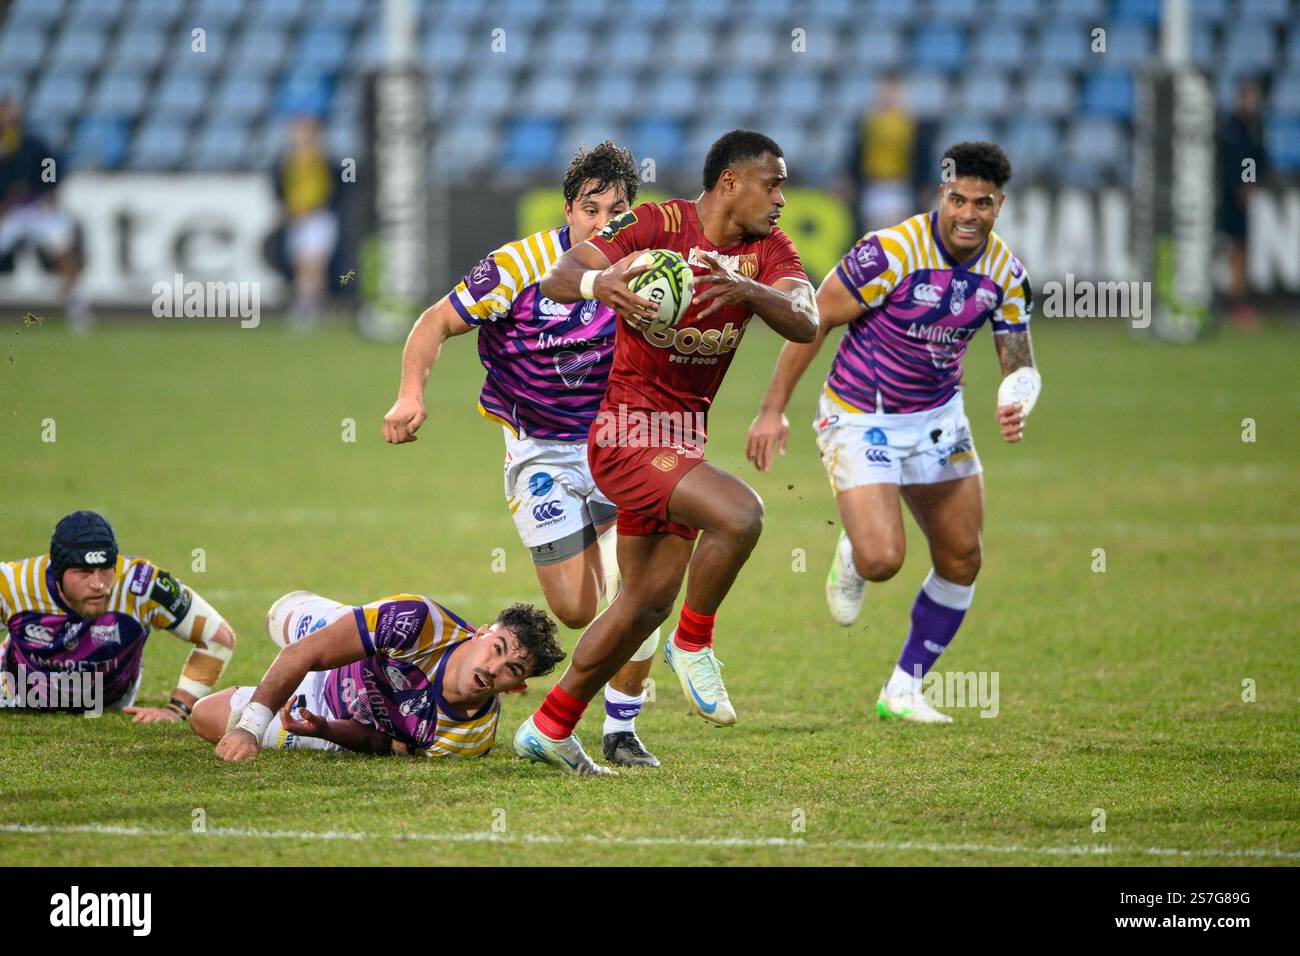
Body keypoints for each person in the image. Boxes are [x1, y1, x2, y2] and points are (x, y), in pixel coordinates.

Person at [512, 129, 819, 775]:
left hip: (681, 439)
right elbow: (561, 275)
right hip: (625, 433)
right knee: (741, 515)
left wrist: (747, 292)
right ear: (731, 182)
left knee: (640, 604)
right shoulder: (657, 223)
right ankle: (694, 642)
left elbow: (806, 319)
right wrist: (602, 284)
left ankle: (550, 726)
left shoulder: (769, 250)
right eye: (774, 183)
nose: (781, 199)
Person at [381, 142, 663, 767]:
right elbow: (434, 322)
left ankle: (622, 727)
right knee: (577, 607)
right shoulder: (518, 265)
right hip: (539, 454)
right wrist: (409, 395)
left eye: (616, 211)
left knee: (641, 591)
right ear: (569, 209)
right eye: (591, 209)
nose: (602, 223)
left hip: (616, 446)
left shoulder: (648, 268)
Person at [746, 141, 1039, 723]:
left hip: (938, 420)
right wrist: (772, 408)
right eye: (957, 199)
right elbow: (816, 317)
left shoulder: (1006, 272)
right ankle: (855, 548)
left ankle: (904, 688)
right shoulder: (889, 252)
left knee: (963, 558)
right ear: (942, 195)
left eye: (981, 203)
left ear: (999, 205)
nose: (967, 213)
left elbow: (1019, 362)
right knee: (884, 560)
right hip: (860, 415)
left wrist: (1017, 397)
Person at [195, 590, 564, 760]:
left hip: (332, 712)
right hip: (345, 657)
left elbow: (381, 744)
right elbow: (304, 653)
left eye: (511, 670)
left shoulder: (472, 738)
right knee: (281, 612)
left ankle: (284, 713)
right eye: (496, 648)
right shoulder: (421, 622)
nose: (493, 667)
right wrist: (250, 727)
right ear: (481, 633)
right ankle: (355, 621)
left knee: (204, 716)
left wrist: (324, 729)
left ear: (517, 687)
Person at [0, 511, 237, 720]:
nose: (98, 584)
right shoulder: (13, 583)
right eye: (84, 572)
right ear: (58, 572)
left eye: (106, 570)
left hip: (108, 707)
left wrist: (177, 709)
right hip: (17, 700)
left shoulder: (142, 585)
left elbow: (219, 637)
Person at [0, 95, 91, 329]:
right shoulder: (4, 147)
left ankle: (76, 306)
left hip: (37, 207)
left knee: (63, 250)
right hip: (10, 211)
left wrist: (48, 192)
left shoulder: (32, 143)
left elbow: (49, 165)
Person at [274, 115, 338, 327]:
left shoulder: (321, 160)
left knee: (313, 265)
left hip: (316, 218)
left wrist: (311, 209)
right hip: (297, 219)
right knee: (302, 264)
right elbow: (284, 189)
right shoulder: (289, 161)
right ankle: (307, 305)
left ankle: (309, 307)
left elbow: (328, 189)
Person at [1218, 77, 1269, 328]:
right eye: (1247, 98)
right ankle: (1225, 300)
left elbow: (1256, 158)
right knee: (1227, 248)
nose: (1251, 104)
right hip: (1225, 196)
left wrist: (1250, 182)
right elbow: (1237, 160)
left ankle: (1236, 301)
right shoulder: (1232, 128)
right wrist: (1243, 183)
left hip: (1238, 199)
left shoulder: (1254, 128)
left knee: (1239, 249)